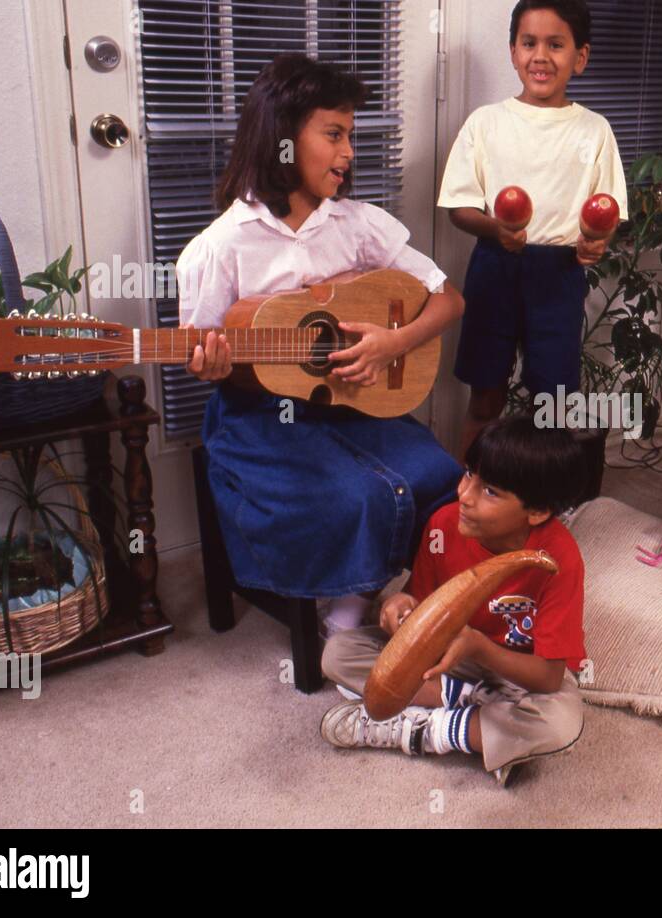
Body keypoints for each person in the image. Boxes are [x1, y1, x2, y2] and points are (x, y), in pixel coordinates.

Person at [176, 53, 464, 625]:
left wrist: (392, 342)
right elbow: (201, 352)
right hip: (261, 421)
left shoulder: (356, 225)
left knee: (440, 473)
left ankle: (397, 593)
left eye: (350, 135)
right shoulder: (221, 246)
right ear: (281, 136)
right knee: (347, 496)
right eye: (333, 134)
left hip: (352, 407)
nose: (348, 152)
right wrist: (209, 365)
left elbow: (449, 299)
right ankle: (347, 603)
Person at [320, 416, 589, 787]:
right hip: (449, 659)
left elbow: (548, 676)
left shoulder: (559, 558)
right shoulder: (443, 525)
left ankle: (426, 731)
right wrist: (401, 604)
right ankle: (475, 709)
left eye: (490, 491)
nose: (464, 494)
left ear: (538, 511)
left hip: (515, 671)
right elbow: (419, 597)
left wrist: (478, 647)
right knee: (338, 653)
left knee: (561, 722)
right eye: (467, 474)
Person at [438, 0, 628, 455]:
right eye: (529, 43)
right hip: (495, 264)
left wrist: (595, 244)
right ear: (512, 51)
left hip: (558, 273)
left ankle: (541, 500)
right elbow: (458, 208)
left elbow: (610, 212)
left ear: (579, 57)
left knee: (553, 404)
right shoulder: (486, 123)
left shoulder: (594, 130)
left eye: (555, 45)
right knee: (486, 396)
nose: (540, 56)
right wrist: (497, 230)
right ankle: (467, 490)